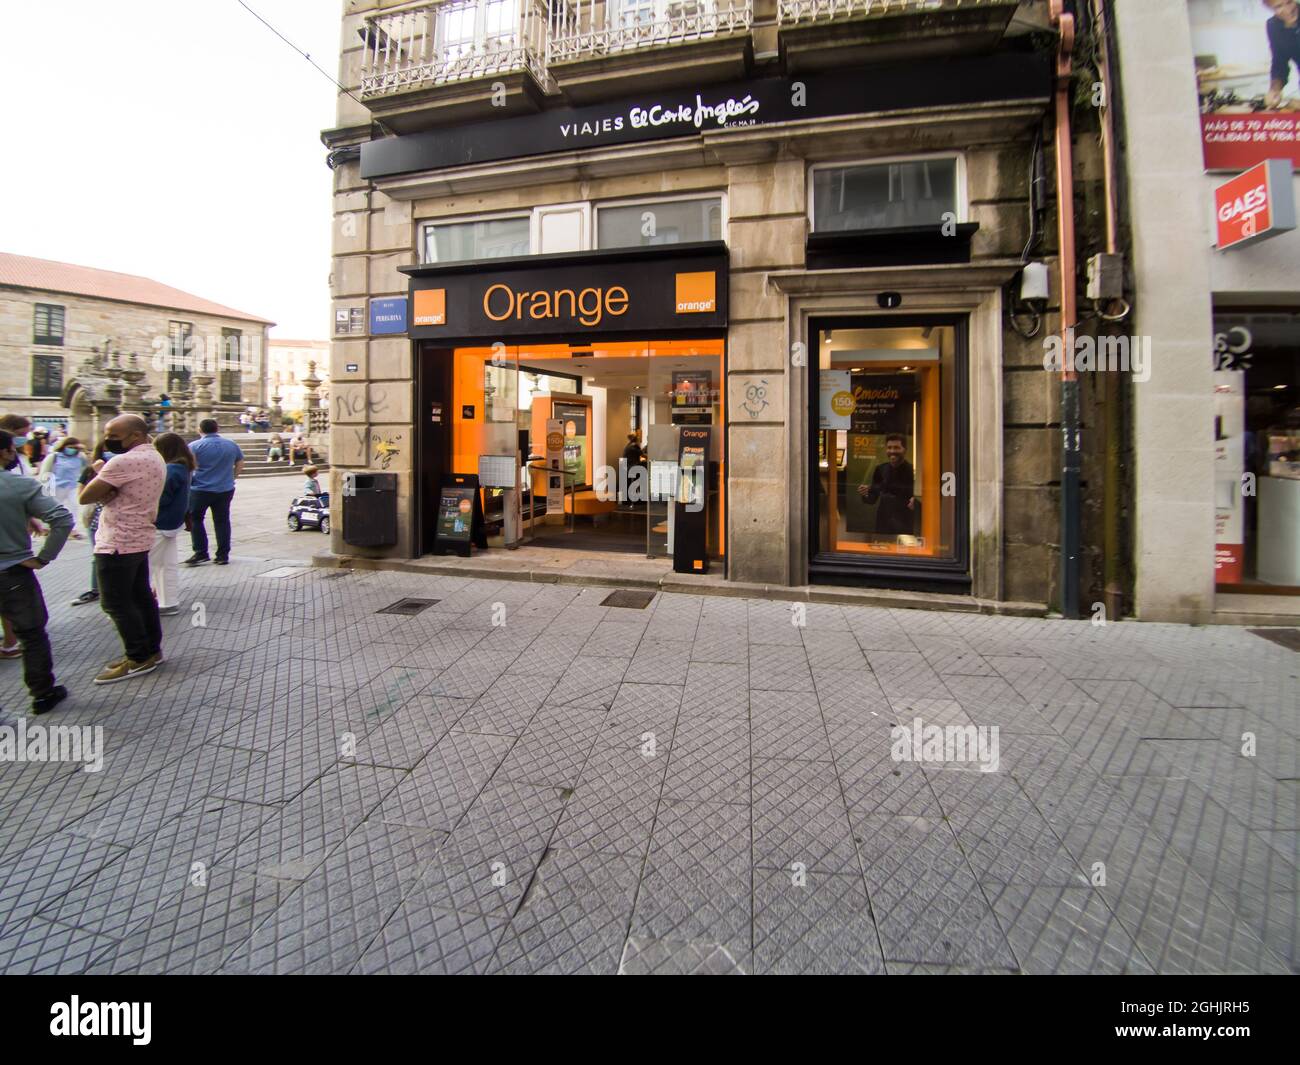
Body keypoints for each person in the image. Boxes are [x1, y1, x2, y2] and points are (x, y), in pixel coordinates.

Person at [78, 414, 166, 684]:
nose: (108, 441)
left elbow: (85, 496)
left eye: (114, 436)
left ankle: (138, 657)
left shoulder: (123, 461)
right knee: (140, 596)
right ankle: (152, 650)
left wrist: (98, 471)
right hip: (139, 537)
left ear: (136, 436)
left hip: (117, 541)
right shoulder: (155, 456)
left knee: (115, 602)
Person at [0, 430, 73, 713]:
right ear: (6, 452)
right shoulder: (17, 485)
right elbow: (62, 519)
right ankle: (42, 693)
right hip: (11, 571)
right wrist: (43, 558)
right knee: (31, 634)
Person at [185, 417, 244, 567]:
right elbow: (240, 462)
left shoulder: (194, 446)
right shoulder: (231, 444)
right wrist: (233, 477)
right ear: (217, 429)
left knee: (196, 519)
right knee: (222, 520)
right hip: (225, 488)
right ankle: (223, 555)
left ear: (200, 430)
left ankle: (201, 552)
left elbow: (191, 467)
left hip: (201, 489)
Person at [151, 433, 194, 616]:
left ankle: (139, 603)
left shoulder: (170, 469)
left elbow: (162, 498)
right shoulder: (185, 467)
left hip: (160, 523)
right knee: (167, 564)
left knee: (147, 565)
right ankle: (168, 601)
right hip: (172, 523)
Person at [70, 441, 109, 607]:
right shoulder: (90, 470)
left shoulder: (125, 468)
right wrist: (101, 474)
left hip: (118, 521)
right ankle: (96, 589)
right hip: (96, 519)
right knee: (97, 555)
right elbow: (82, 495)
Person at [857, 432, 916, 537]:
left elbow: (921, 497)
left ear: (905, 449)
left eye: (896, 447)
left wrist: (916, 499)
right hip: (883, 522)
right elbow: (872, 499)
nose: (892, 451)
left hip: (905, 522)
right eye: (889, 447)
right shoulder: (880, 469)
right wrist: (865, 493)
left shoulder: (913, 471)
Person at [38, 437, 88, 537]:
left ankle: (72, 529)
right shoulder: (54, 457)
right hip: (55, 486)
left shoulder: (80, 456)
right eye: (70, 447)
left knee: (74, 506)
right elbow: (45, 472)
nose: (72, 449)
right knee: (53, 507)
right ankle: (47, 527)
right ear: (64, 446)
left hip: (72, 486)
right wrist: (45, 486)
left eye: (75, 447)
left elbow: (86, 468)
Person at [1265, 0, 1300, 109]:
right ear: (1270, 8)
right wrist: (1275, 89)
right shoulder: (1273, 26)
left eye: (1289, 2)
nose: (1288, 10)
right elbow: (1279, 63)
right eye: (1279, 6)